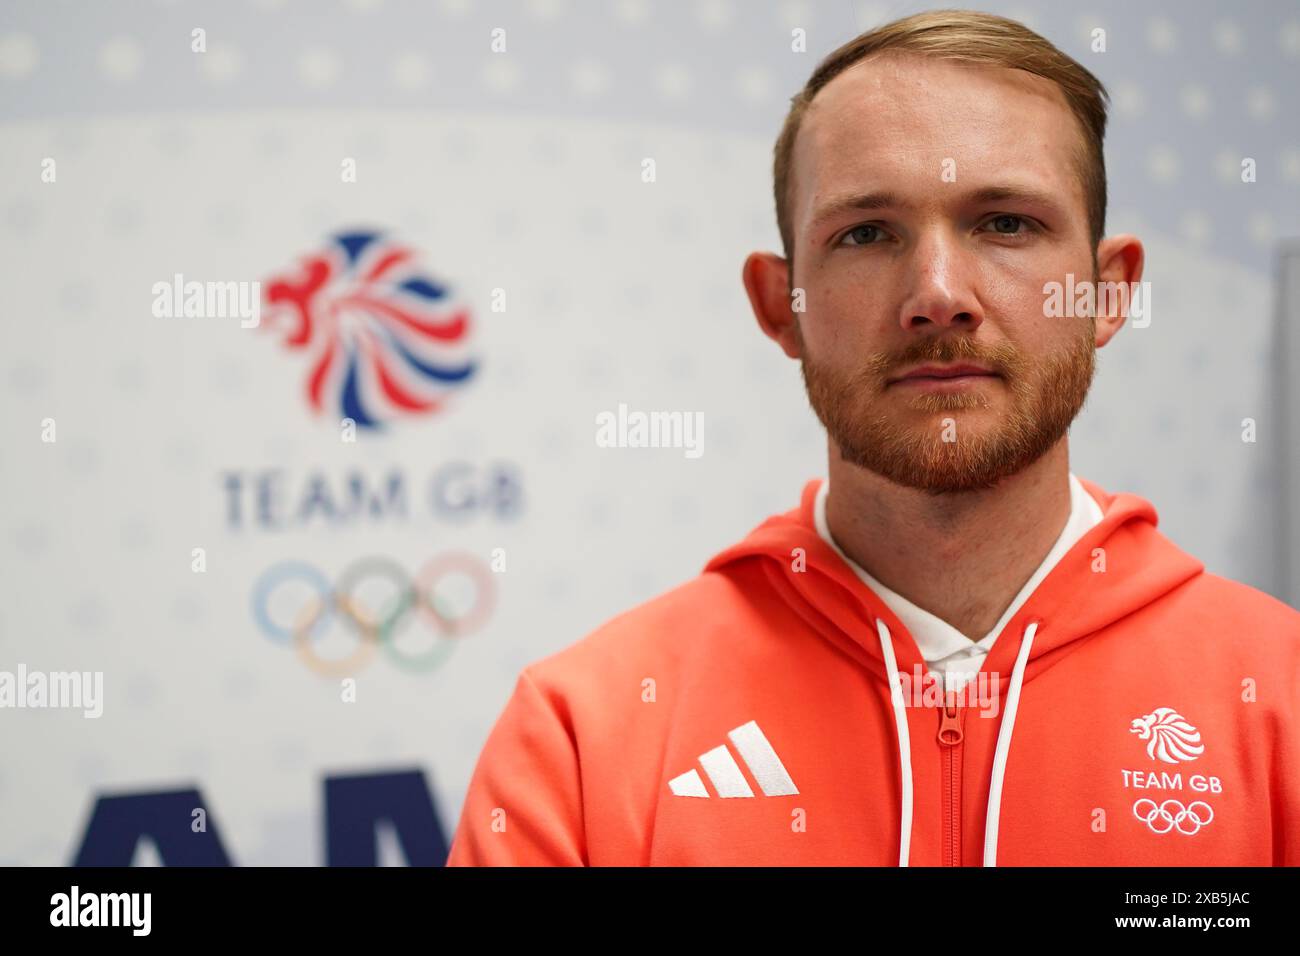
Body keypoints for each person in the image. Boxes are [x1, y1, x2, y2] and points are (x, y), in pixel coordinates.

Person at [446, 9, 1300, 866]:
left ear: (1109, 293)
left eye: (1004, 222)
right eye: (866, 233)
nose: (937, 293)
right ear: (781, 306)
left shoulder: (1282, 695)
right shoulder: (582, 739)